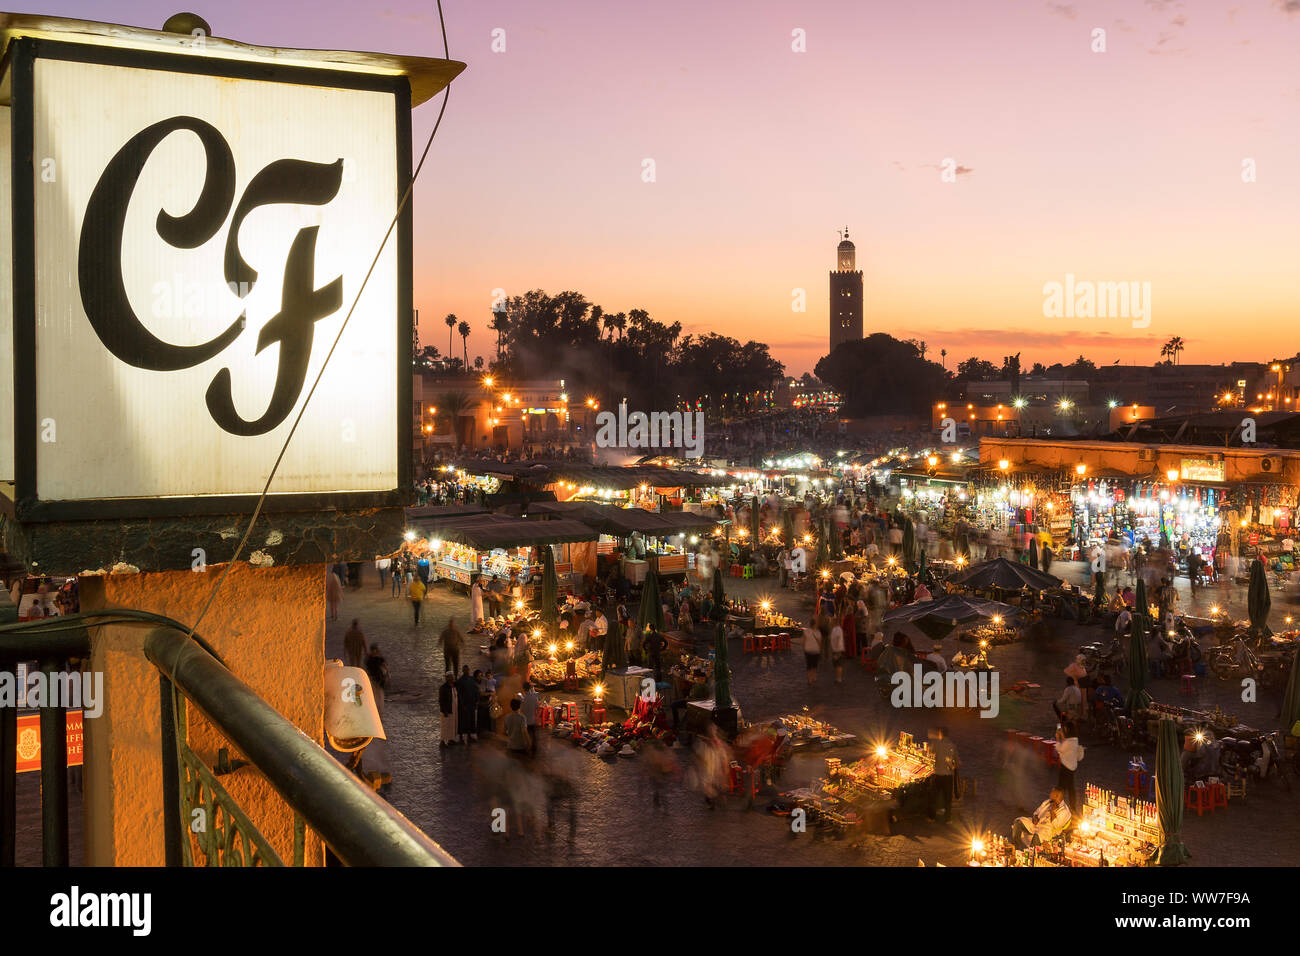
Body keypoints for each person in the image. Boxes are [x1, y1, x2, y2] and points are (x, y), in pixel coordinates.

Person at [928, 727, 959, 823]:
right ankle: (947, 818)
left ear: (940, 734)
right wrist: (953, 766)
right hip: (948, 776)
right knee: (947, 798)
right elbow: (957, 761)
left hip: (937, 774)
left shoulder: (936, 744)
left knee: (934, 796)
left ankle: (931, 817)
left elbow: (931, 753)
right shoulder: (952, 745)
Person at [1055, 722, 1084, 817]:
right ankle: (1073, 808)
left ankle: (1057, 806)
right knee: (1071, 788)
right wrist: (1062, 737)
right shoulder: (1074, 740)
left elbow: (1059, 748)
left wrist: (1058, 739)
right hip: (1072, 767)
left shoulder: (1069, 742)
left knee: (1061, 787)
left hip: (1065, 767)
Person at [456, 665, 479, 743]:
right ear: (463, 671)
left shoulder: (472, 679)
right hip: (464, 705)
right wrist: (462, 704)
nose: (466, 671)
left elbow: (476, 690)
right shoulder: (460, 681)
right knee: (463, 721)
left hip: (472, 703)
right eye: (465, 670)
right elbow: (459, 694)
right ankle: (461, 737)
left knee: (471, 720)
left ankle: (469, 736)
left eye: (467, 670)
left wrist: (476, 700)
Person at [438, 672, 458, 746]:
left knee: (452, 725)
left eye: (453, 677)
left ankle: (450, 739)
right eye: (451, 677)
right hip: (447, 709)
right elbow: (441, 700)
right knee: (445, 725)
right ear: (447, 678)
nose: (452, 678)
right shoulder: (443, 688)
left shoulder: (454, 686)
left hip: (453, 708)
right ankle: (442, 741)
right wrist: (444, 710)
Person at [803, 617, 824, 685]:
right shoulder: (818, 632)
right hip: (815, 650)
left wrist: (804, 649)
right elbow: (820, 643)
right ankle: (814, 678)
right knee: (814, 666)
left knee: (809, 666)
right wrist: (820, 650)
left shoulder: (806, 631)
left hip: (808, 650)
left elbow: (803, 641)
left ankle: (809, 680)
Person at [829, 617, 846, 684]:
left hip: (838, 649)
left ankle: (839, 679)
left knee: (839, 665)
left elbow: (838, 639)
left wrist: (837, 652)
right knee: (836, 665)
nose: (830, 623)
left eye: (831, 622)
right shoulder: (834, 629)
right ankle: (838, 678)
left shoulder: (838, 629)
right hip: (835, 649)